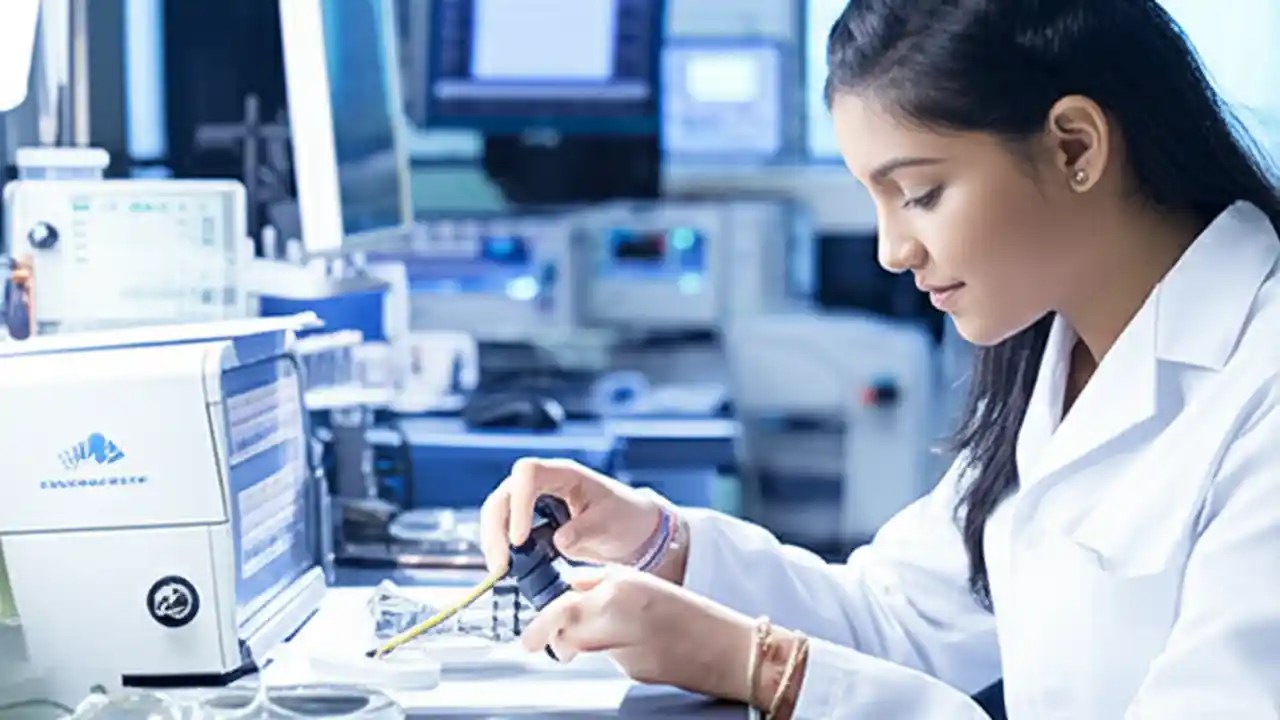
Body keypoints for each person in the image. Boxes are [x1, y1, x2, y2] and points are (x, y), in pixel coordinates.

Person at [480, 0, 1280, 717]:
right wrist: (653, 540)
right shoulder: (1063, 358)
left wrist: (769, 670)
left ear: (1075, 145)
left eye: (921, 194)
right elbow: (895, 618)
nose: (893, 250)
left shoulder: (1260, 388)